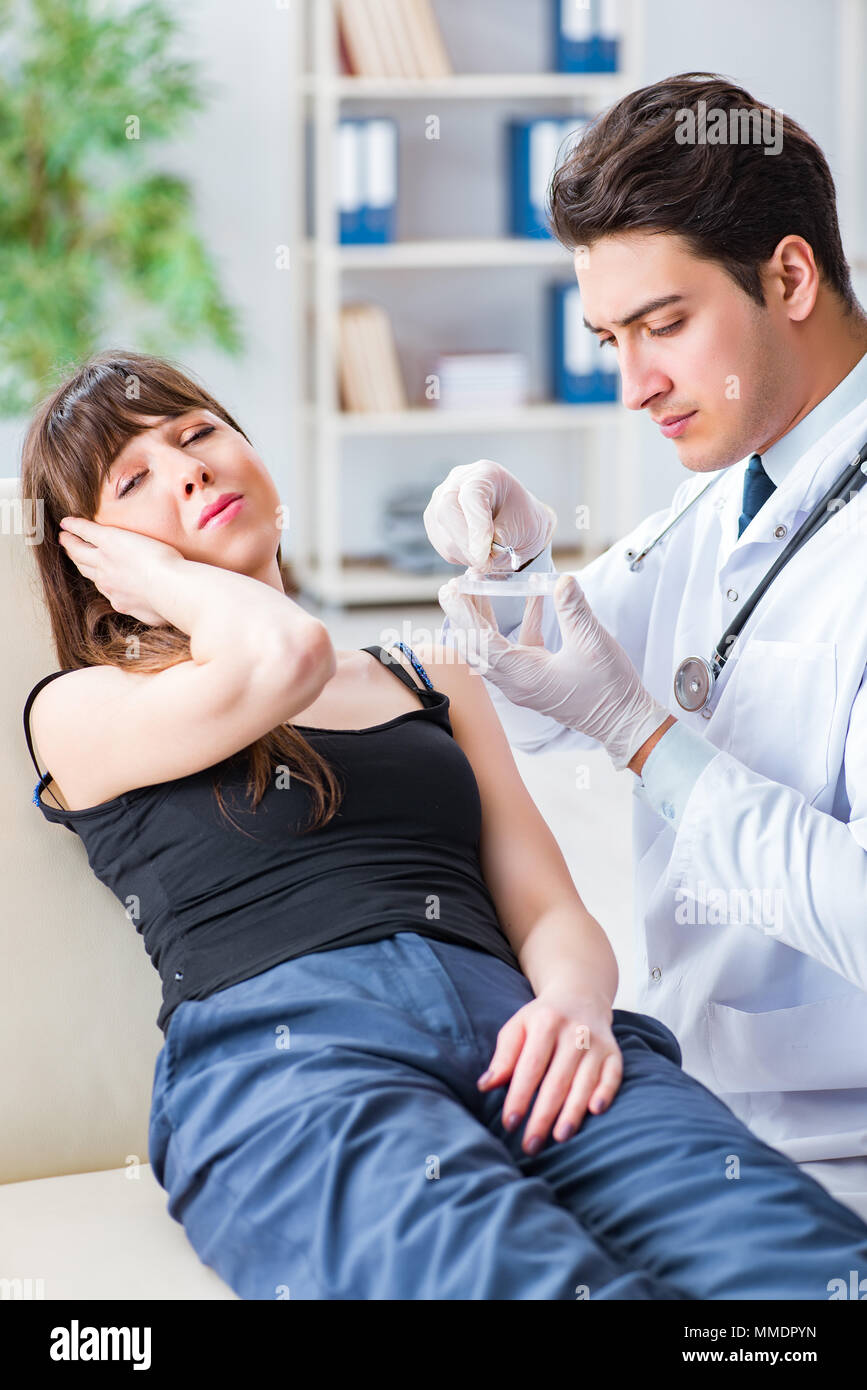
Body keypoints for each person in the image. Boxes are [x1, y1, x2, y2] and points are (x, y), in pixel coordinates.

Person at [20, 349, 867, 1301]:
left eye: (199, 435)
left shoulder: (428, 675)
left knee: (801, 1270)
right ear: (94, 556)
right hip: (293, 1065)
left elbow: (548, 910)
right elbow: (286, 653)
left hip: (523, 1033)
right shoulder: (81, 710)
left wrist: (577, 1008)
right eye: (134, 480)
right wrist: (159, 583)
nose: (191, 469)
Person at [429, 71, 867, 1226]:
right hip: (710, 1113)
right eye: (609, 338)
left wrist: (650, 742)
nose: (633, 386)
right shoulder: (726, 488)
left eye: (664, 326)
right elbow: (535, 702)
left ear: (789, 275)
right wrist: (511, 571)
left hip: (840, 1157)